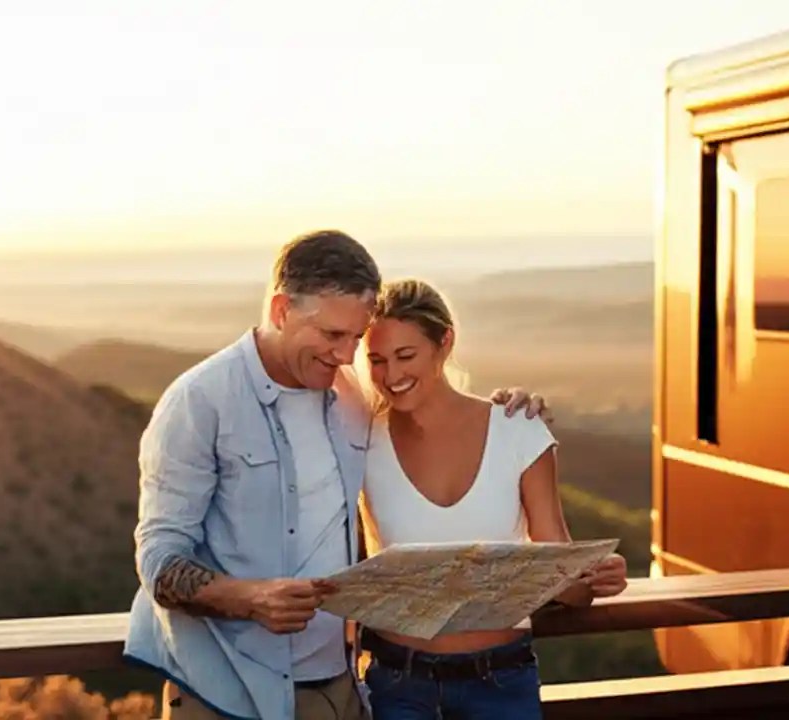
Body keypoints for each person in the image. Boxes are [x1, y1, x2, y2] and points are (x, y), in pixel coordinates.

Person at [124, 230, 551, 720]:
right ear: (282, 310)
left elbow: (434, 415)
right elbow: (159, 561)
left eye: (355, 338)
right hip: (224, 689)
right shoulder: (198, 401)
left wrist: (511, 411)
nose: (347, 356)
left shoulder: (353, 401)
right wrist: (251, 599)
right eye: (332, 335)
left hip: (335, 689)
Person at [355, 278, 629, 720]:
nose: (391, 375)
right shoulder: (359, 439)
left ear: (445, 343)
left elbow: (561, 576)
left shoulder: (517, 430)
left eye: (406, 356)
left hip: (499, 684)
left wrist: (597, 578)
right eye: (377, 360)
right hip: (396, 684)